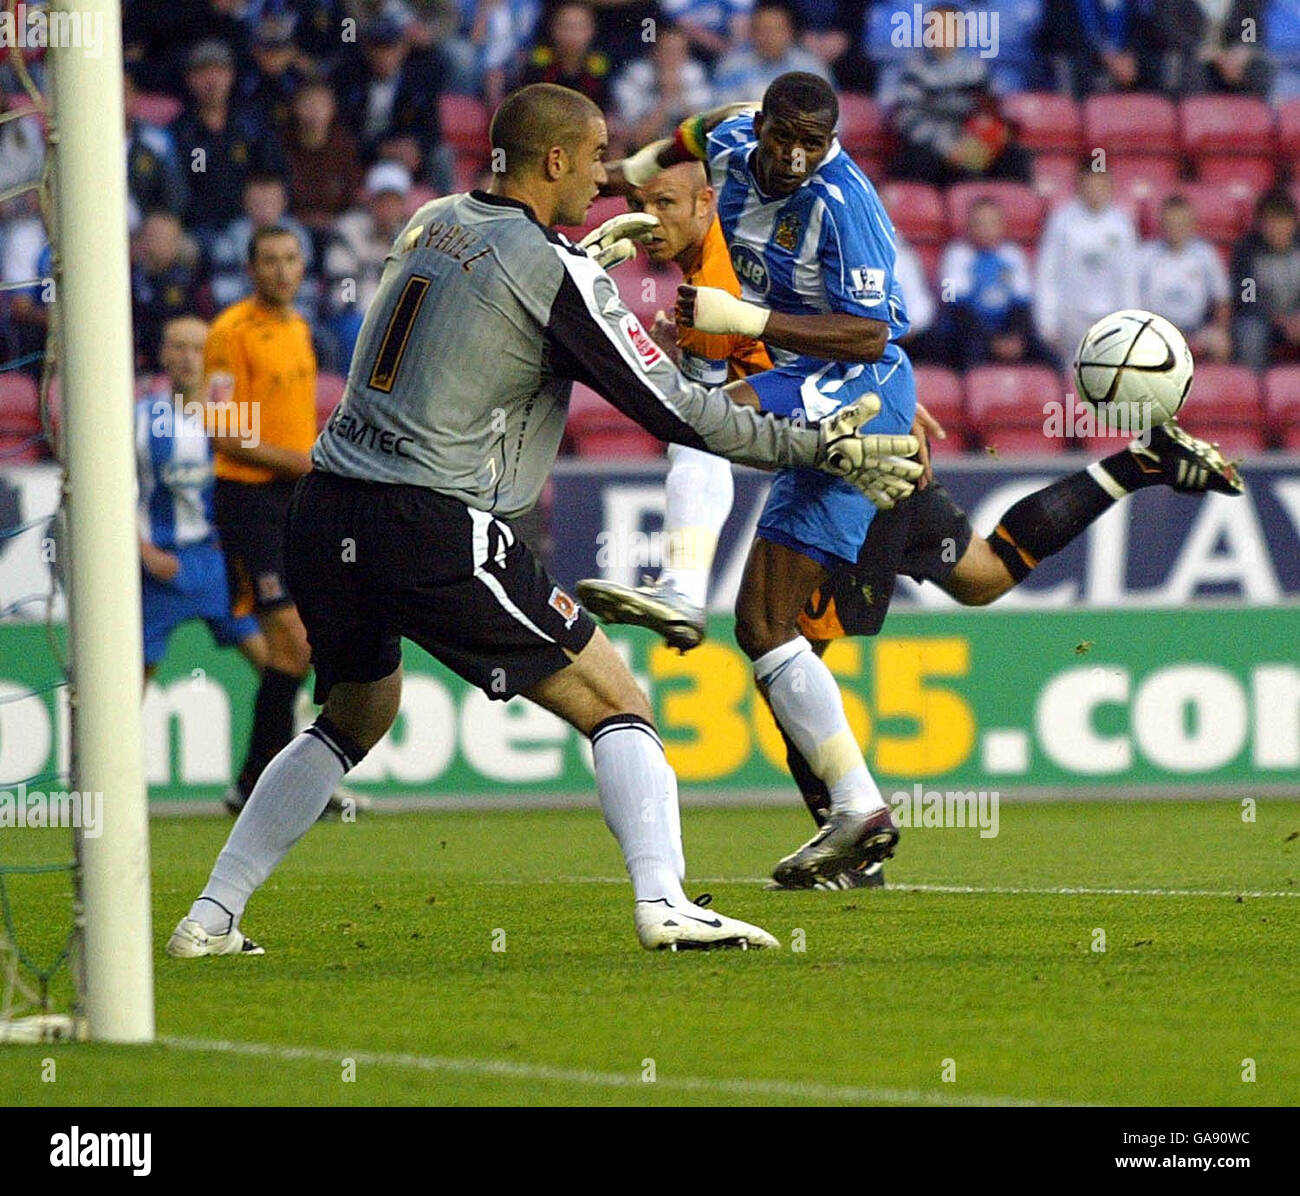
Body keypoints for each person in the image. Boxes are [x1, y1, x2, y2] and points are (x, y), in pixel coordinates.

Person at [166, 82, 919, 959]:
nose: (609, 175)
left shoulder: (433, 217)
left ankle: (210, 918)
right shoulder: (556, 272)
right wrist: (813, 447)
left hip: (325, 505)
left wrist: (582, 263)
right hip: (426, 515)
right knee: (616, 701)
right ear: (555, 160)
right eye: (598, 157)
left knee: (353, 713)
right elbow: (677, 408)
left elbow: (486, 301)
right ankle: (667, 901)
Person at [587, 72, 922, 888]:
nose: (797, 156)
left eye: (814, 142)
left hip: (860, 386)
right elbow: (695, 132)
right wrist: (638, 169)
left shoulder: (846, 207)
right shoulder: (732, 137)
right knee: (767, 624)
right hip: (806, 388)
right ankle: (857, 807)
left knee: (697, 416)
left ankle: (677, 590)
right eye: (786, 138)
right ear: (764, 124)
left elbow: (875, 332)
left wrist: (753, 322)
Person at [204, 225, 361, 817]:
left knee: (297, 652)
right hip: (249, 502)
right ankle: (261, 787)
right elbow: (226, 431)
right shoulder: (230, 333)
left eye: (290, 259)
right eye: (268, 260)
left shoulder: (299, 329)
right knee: (291, 645)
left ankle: (257, 786)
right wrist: (302, 461)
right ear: (250, 269)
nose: (280, 270)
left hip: (295, 500)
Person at [137, 316, 267, 691]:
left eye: (199, 348)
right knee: (128, 688)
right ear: (163, 353)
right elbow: (114, 494)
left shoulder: (235, 419)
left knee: (276, 665)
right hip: (158, 566)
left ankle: (291, 738)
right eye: (178, 346)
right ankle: (104, 750)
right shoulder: (140, 420)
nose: (189, 358)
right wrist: (144, 551)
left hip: (216, 565)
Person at [1034, 160, 1139, 368]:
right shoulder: (1061, 221)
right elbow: (1047, 274)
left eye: (1100, 185)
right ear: (1079, 186)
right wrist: (1047, 322)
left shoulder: (1122, 224)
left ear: (1110, 187)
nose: (1095, 192)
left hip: (1110, 317)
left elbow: (1128, 278)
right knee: (1074, 380)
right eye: (1089, 186)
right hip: (1071, 319)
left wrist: (1131, 322)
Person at [939, 195, 1056, 370]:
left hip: (1006, 329)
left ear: (1003, 226)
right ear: (969, 227)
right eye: (980, 224)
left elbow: (1022, 304)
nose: (986, 229)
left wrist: (1014, 338)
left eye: (992, 223)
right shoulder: (954, 255)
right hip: (967, 332)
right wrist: (992, 342)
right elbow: (954, 306)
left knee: (1049, 358)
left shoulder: (1013, 255)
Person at [1137, 193, 1232, 363]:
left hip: (1197, 328)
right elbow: (1132, 299)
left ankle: (1214, 389)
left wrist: (1219, 328)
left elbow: (1222, 299)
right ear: (1161, 225)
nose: (1175, 229)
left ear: (1192, 225)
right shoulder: (1145, 255)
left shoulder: (1206, 254)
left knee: (1220, 342)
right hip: (1155, 329)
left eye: (1181, 224)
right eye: (1170, 224)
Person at [1231, 188, 1300, 371]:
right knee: (1249, 333)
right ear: (1260, 225)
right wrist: (1281, 321)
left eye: (1283, 223)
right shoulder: (1246, 252)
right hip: (1264, 321)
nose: (1277, 230)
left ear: (1293, 224)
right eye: (1271, 223)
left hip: (1297, 317)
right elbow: (1248, 300)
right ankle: (1254, 391)